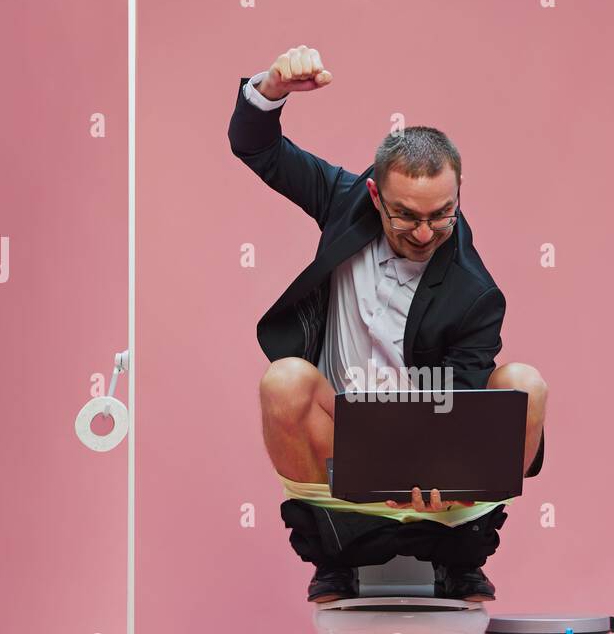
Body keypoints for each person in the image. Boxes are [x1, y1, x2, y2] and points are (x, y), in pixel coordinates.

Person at [228, 44, 548, 602]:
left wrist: (441, 472)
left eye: (439, 216)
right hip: (340, 438)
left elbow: (465, 396)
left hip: (437, 450)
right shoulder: (344, 198)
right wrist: (273, 86)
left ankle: (462, 551)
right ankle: (333, 555)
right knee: (283, 380)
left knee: (525, 383)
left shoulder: (477, 294)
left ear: (457, 196)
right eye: (405, 215)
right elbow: (256, 147)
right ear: (375, 195)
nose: (424, 233)